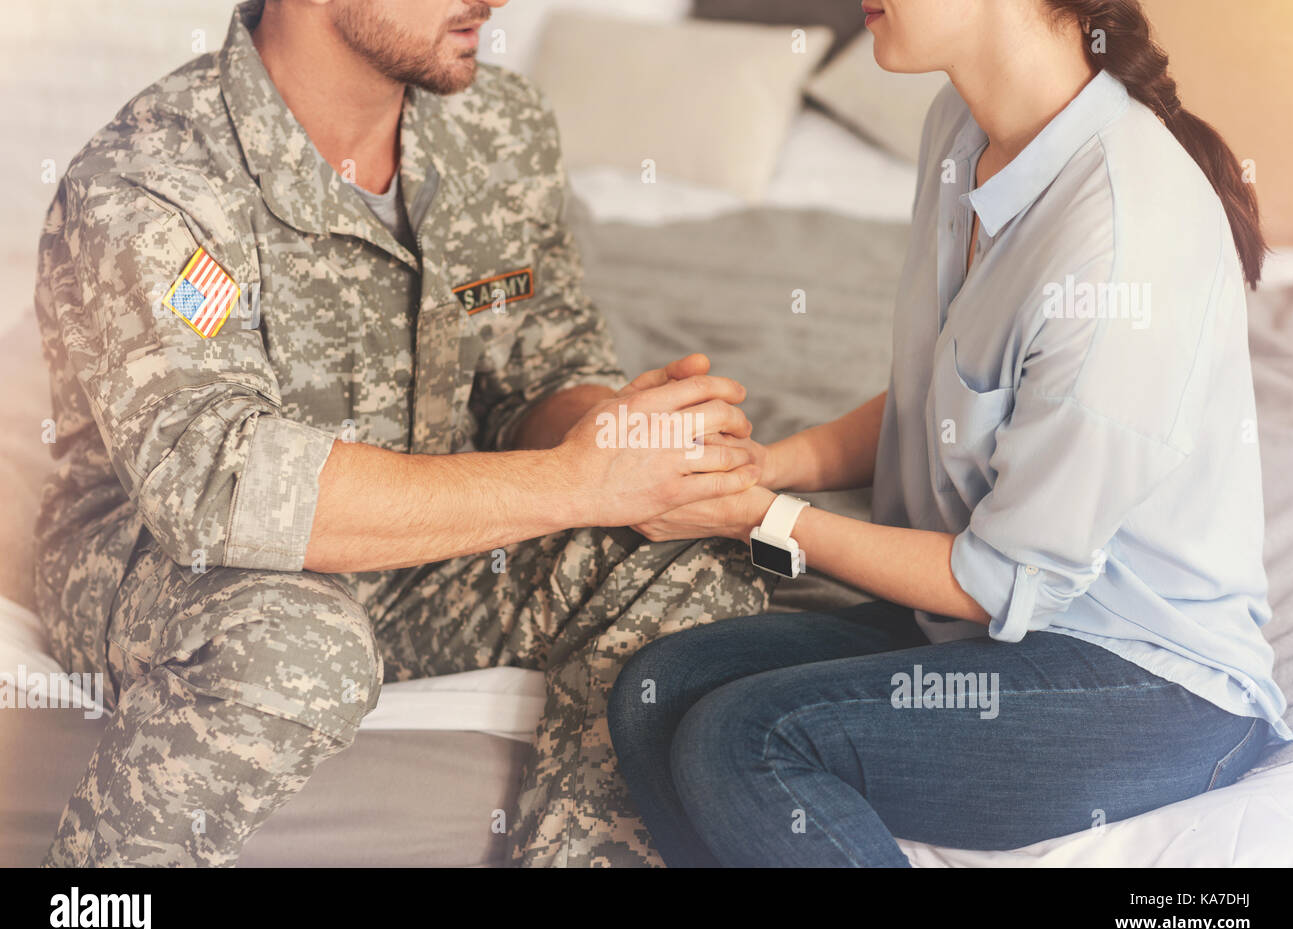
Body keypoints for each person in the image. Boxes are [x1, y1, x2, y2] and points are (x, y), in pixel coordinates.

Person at [34, 0, 768, 868]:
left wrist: (623, 438)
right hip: (174, 564)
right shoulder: (152, 177)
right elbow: (220, 486)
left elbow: (539, 360)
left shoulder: (502, 123)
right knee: (299, 646)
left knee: (693, 564)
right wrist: (579, 481)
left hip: (438, 544)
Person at [607, 0, 1293, 867]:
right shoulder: (960, 126)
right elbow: (942, 397)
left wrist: (759, 515)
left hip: (1143, 684)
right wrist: (764, 463)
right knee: (655, 695)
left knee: (744, 739)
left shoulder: (1120, 234)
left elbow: (998, 581)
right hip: (976, 633)